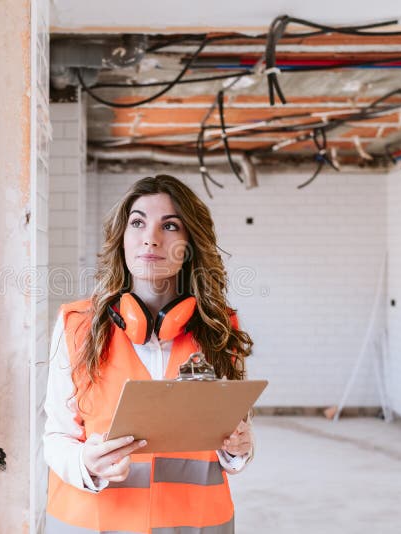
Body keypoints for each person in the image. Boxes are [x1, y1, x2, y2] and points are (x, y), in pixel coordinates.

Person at [44, 174, 254, 533]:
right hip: (94, 524)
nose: (150, 238)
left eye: (169, 226)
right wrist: (85, 462)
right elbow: (55, 437)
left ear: (189, 244)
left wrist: (239, 449)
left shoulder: (220, 330)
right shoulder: (77, 326)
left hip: (195, 525)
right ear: (122, 239)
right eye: (137, 222)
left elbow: (234, 447)